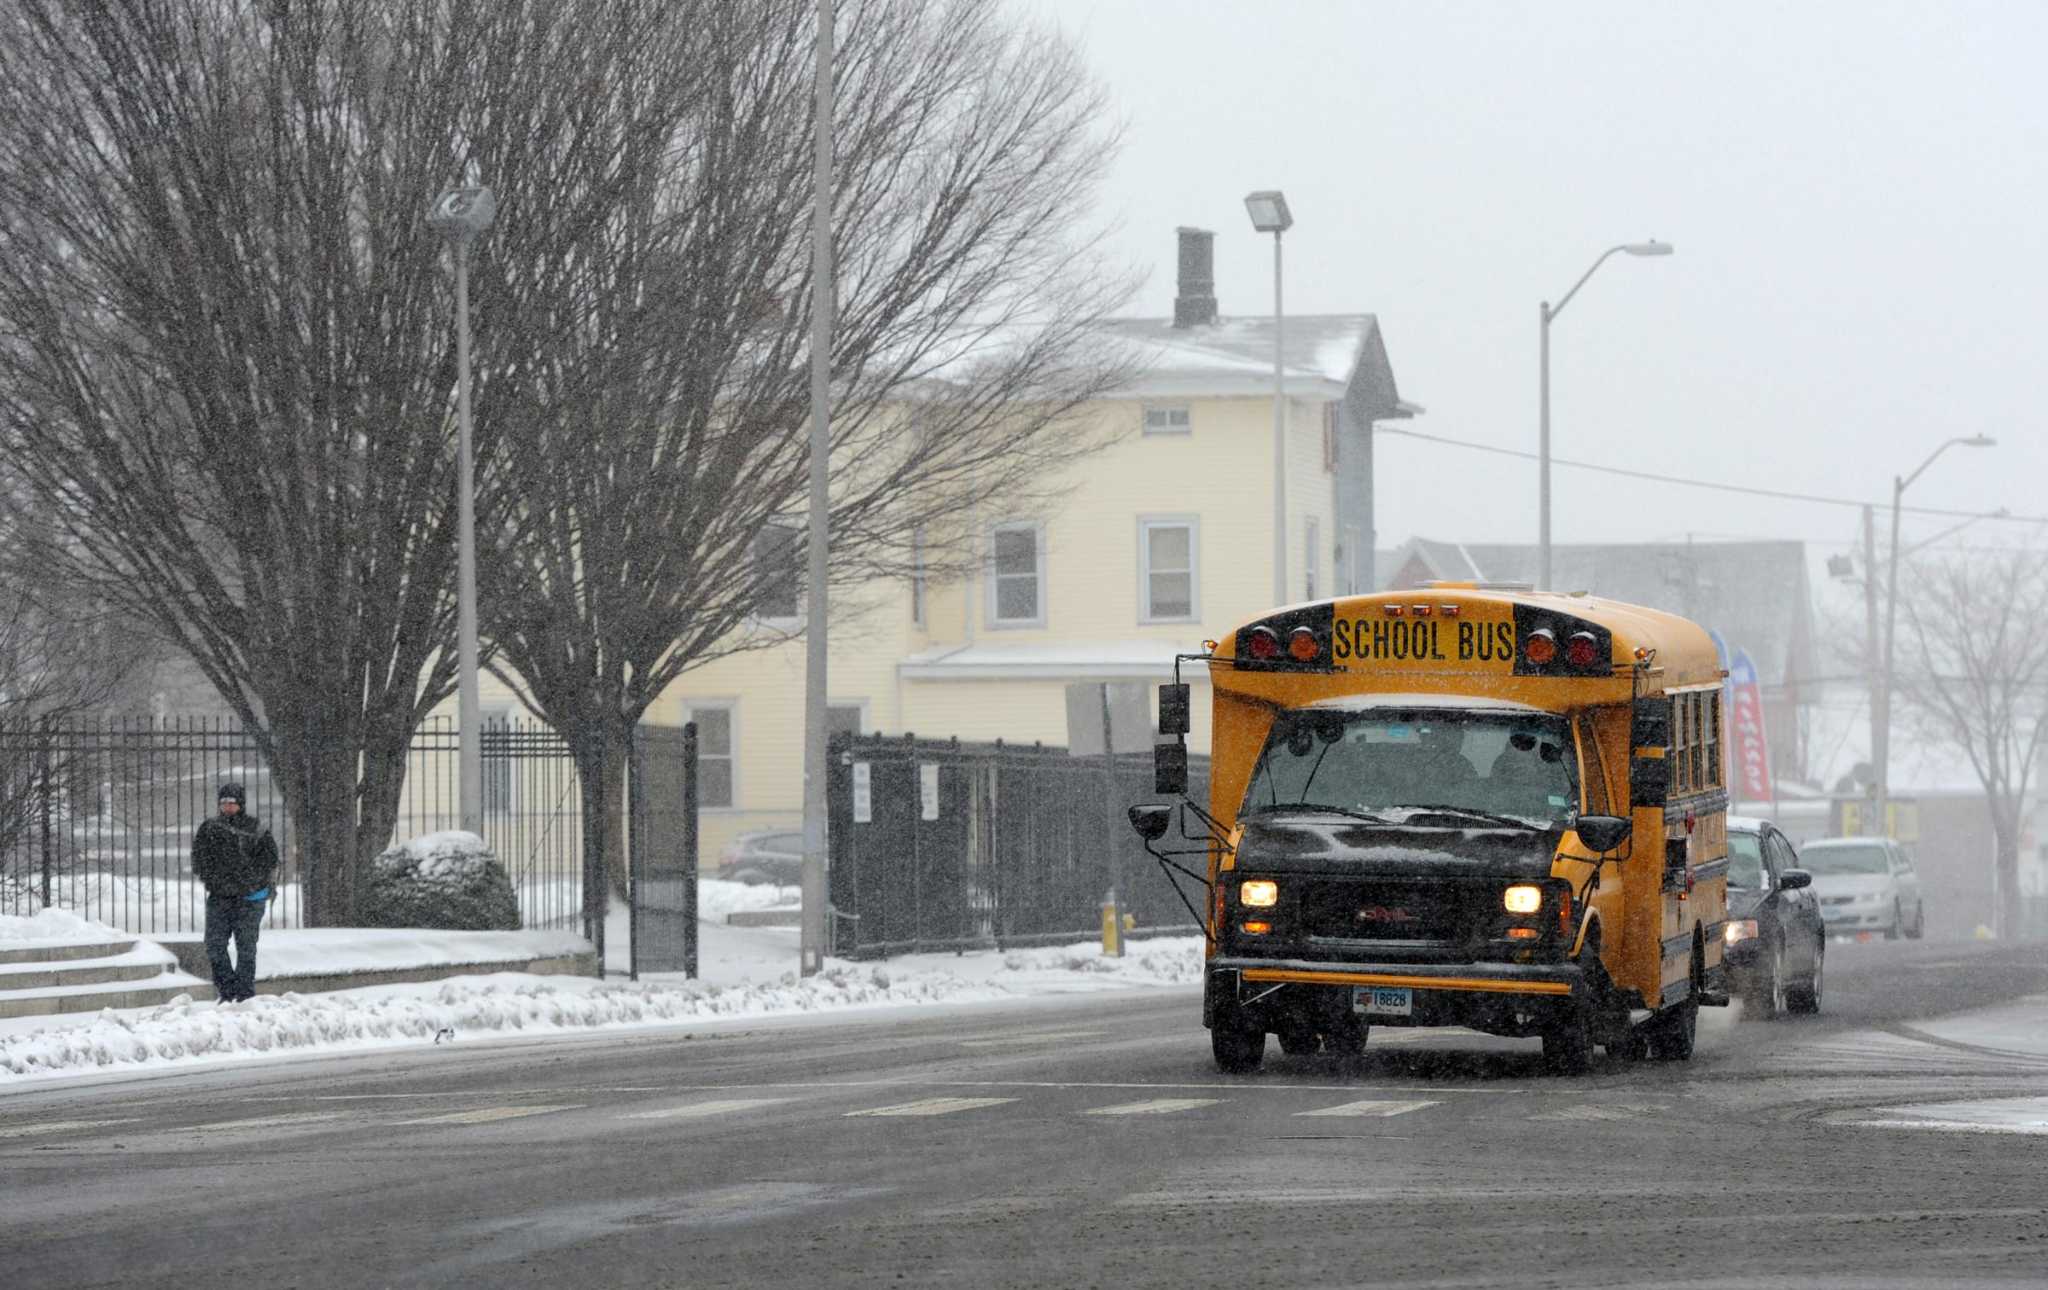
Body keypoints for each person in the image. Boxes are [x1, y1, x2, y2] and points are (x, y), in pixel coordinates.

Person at [191, 782, 279, 1004]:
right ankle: (227, 991)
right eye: (224, 803)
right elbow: (200, 860)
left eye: (232, 803)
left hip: (249, 899)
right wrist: (213, 880)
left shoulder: (256, 829)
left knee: (246, 948)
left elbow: (268, 860)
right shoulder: (209, 829)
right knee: (214, 945)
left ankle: (245, 994)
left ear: (240, 804)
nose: (228, 807)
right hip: (220, 897)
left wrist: (248, 881)